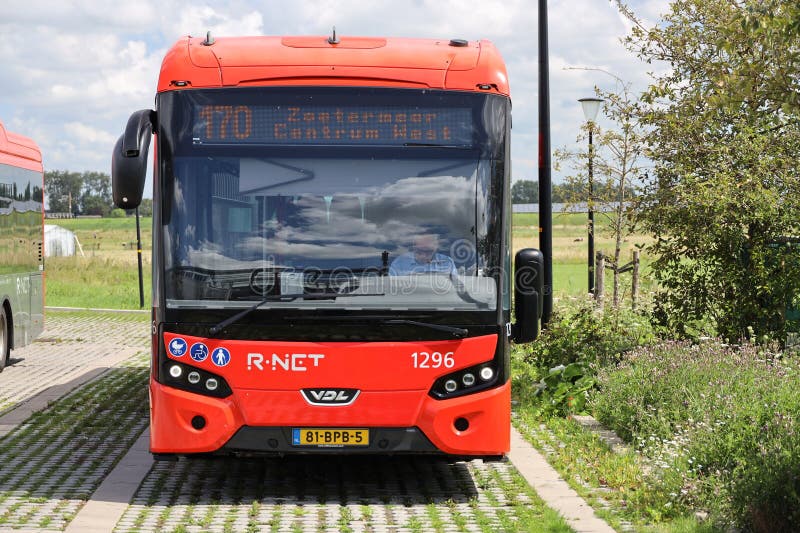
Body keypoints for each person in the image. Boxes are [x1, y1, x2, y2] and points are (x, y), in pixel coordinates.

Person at [389, 234, 457, 276]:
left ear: (436, 248)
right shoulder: (399, 263)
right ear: (414, 247)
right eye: (419, 251)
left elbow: (455, 289)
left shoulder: (447, 263)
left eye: (428, 251)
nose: (423, 256)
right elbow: (392, 289)